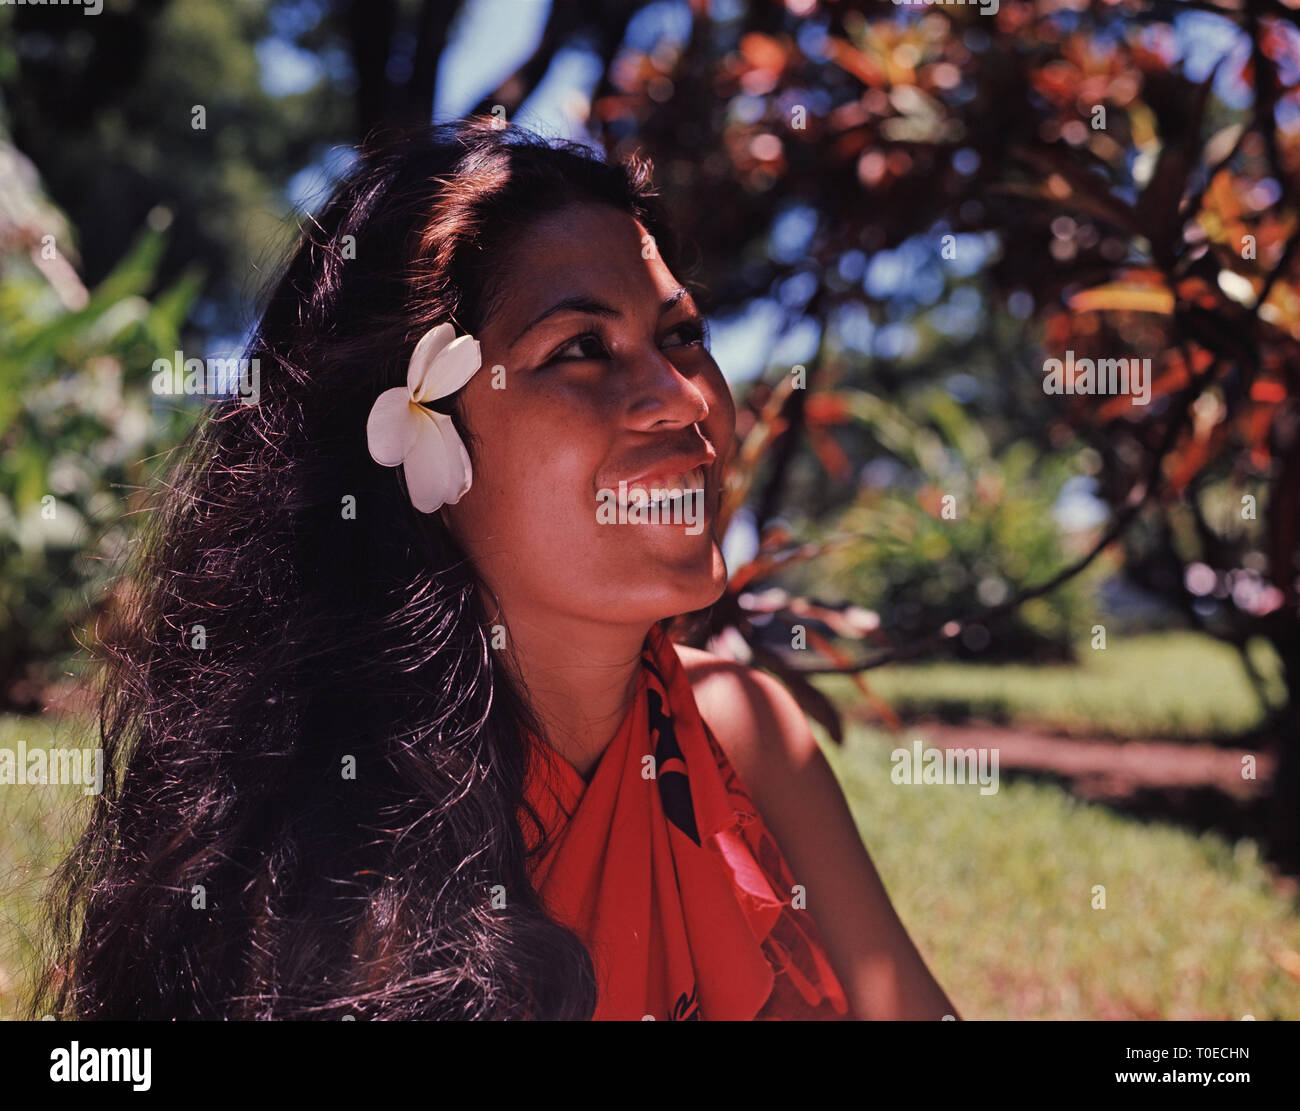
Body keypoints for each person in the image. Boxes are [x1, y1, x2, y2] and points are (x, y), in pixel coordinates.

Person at [32, 120, 956, 1021]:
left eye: (680, 335)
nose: (685, 399)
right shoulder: (341, 830)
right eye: (580, 349)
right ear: (413, 451)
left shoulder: (747, 738)